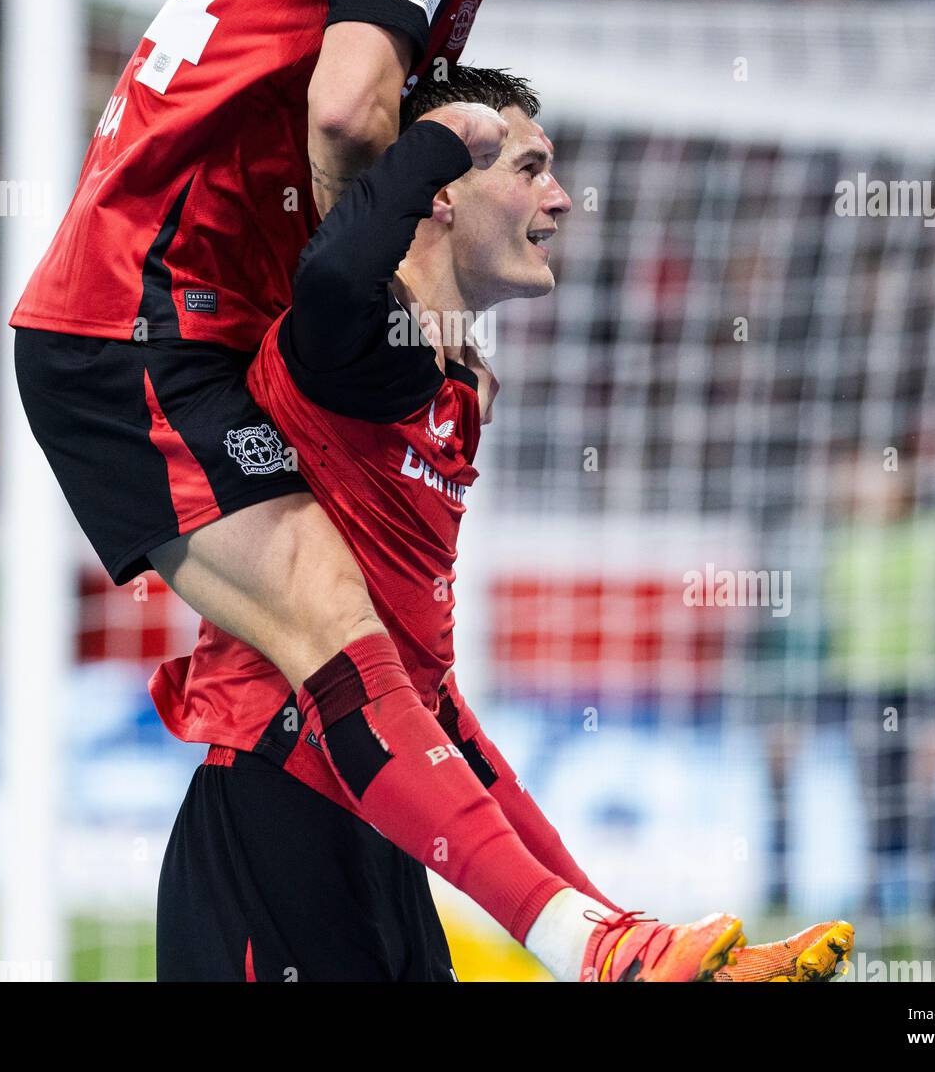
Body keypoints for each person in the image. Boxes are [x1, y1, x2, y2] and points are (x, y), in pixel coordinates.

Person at [13, 0, 674, 961]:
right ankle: (587, 949)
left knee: (374, 661)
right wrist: (362, 297)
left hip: (169, 316)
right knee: (335, 628)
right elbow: (347, 107)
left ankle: (596, 935)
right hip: (141, 318)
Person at [154, 64, 850, 982]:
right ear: (441, 192)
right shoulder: (358, 344)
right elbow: (331, 275)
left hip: (387, 817)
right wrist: (433, 141)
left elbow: (428, 695)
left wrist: (624, 937)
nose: (560, 199)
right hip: (274, 820)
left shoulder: (460, 383)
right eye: (528, 168)